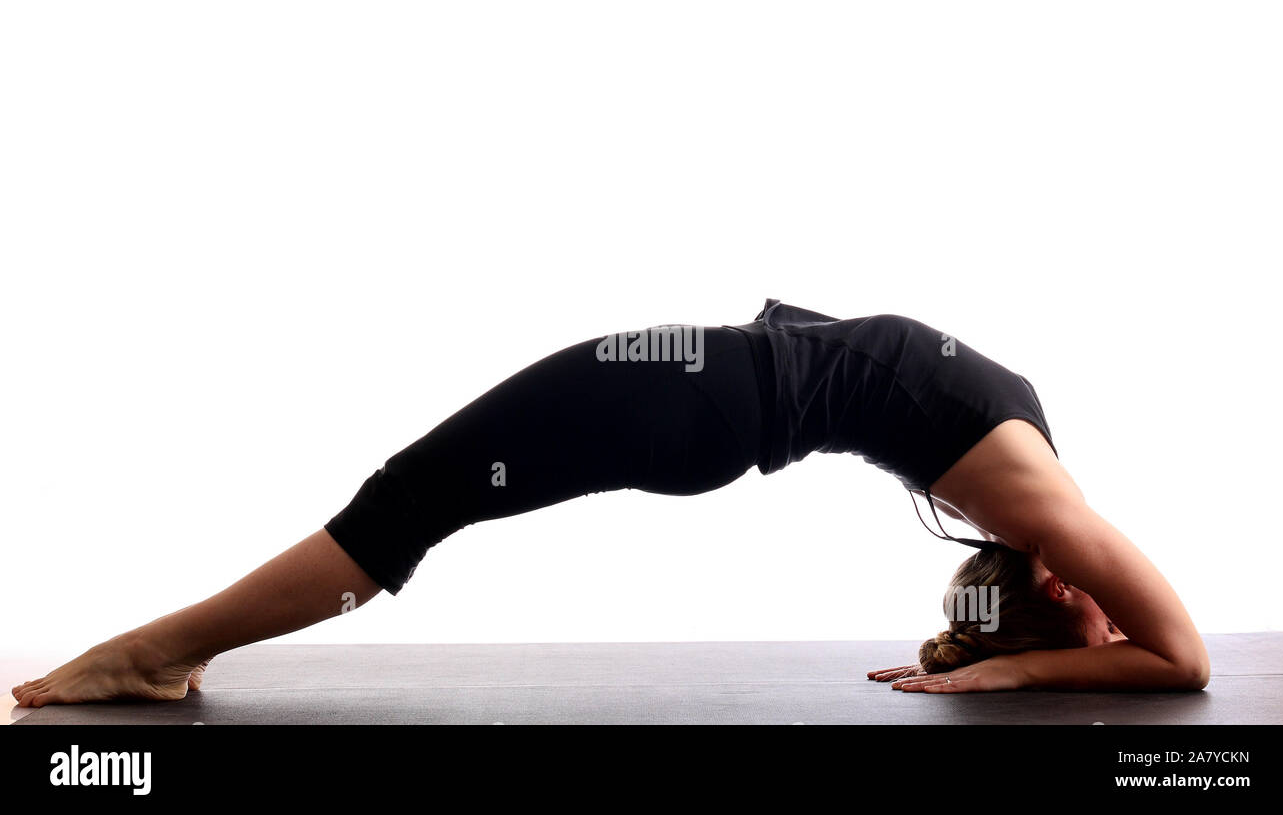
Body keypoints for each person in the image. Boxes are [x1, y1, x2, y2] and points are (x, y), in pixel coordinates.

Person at [11, 299, 1209, 707]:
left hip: (696, 394)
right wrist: (1010, 650)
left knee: (407, 502)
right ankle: (167, 651)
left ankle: (154, 655)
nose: (1089, 591)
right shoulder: (1037, 513)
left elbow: (1181, 661)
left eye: (1081, 611)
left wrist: (1008, 669)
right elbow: (1139, 644)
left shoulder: (1049, 521)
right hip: (693, 381)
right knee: (414, 496)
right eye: (1083, 607)